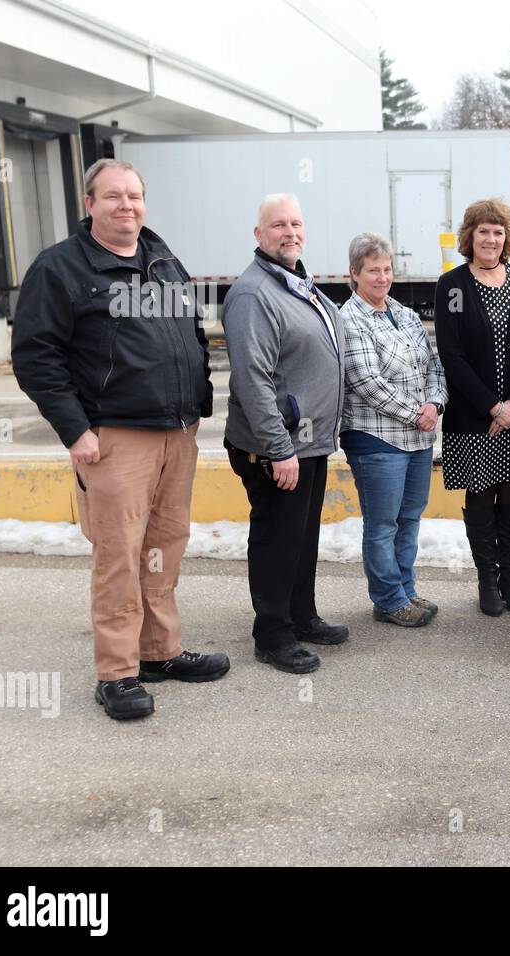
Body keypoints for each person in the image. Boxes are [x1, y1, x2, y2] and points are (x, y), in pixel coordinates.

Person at [11, 158, 226, 720]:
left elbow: (191, 336)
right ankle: (117, 673)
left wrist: (197, 401)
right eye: (113, 196)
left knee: (165, 545)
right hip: (114, 438)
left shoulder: (163, 259)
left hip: (176, 434)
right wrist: (74, 429)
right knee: (118, 554)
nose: (126, 205)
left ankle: (159, 652)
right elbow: (37, 356)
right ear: (90, 204)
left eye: (134, 195)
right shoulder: (60, 268)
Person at [223, 194, 347, 674]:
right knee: (278, 536)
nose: (289, 232)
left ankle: (301, 614)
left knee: (302, 533)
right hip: (277, 446)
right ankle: (272, 634)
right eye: (278, 225)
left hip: (309, 441)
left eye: (296, 223)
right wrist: (279, 449)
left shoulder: (298, 283)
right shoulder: (255, 293)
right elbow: (253, 379)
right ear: (259, 235)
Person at [434, 199, 510, 617]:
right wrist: (492, 408)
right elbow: (452, 354)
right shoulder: (453, 286)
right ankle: (486, 580)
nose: (491, 238)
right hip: (472, 417)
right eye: (483, 231)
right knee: (480, 492)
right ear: (470, 236)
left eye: (498, 232)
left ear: (506, 238)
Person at [340, 232, 447, 627]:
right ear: (355, 274)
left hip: (418, 437)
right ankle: (387, 600)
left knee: (409, 518)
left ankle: (405, 589)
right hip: (376, 440)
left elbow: (433, 365)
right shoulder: (349, 319)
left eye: (386, 269)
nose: (382, 277)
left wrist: (435, 404)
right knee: (382, 524)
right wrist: (415, 413)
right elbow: (365, 380)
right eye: (372, 271)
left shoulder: (403, 314)